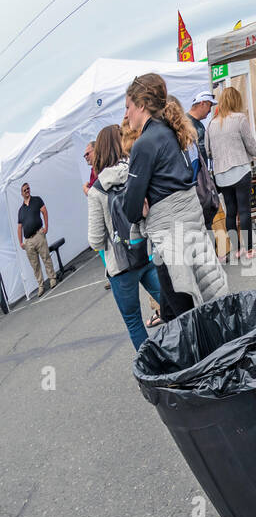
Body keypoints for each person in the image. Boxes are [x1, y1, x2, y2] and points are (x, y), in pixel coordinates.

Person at [122, 72, 228, 319]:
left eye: (128, 107)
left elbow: (131, 208)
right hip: (190, 230)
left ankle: (207, 356)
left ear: (142, 105)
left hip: (171, 241)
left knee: (185, 314)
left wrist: (141, 203)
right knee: (182, 307)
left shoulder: (144, 143)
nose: (126, 115)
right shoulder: (170, 131)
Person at [87, 124, 164, 349]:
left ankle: (154, 371)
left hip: (120, 266)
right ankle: (189, 348)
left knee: (134, 322)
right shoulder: (136, 174)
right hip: (146, 253)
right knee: (170, 304)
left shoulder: (96, 191)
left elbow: (95, 240)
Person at [207, 86, 256, 265]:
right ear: (236, 101)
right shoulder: (240, 119)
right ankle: (249, 250)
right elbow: (251, 146)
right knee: (244, 209)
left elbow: (209, 151)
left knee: (231, 211)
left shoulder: (211, 124)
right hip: (240, 169)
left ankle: (238, 249)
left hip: (221, 173)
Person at [16, 183, 58, 296]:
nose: (27, 191)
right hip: (28, 241)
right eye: (24, 190)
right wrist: (20, 242)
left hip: (38, 235)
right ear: (21, 193)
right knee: (35, 265)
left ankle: (52, 278)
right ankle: (40, 285)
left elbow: (44, 211)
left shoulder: (37, 200)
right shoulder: (21, 210)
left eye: (28, 189)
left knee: (46, 257)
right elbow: (19, 227)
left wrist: (46, 227)